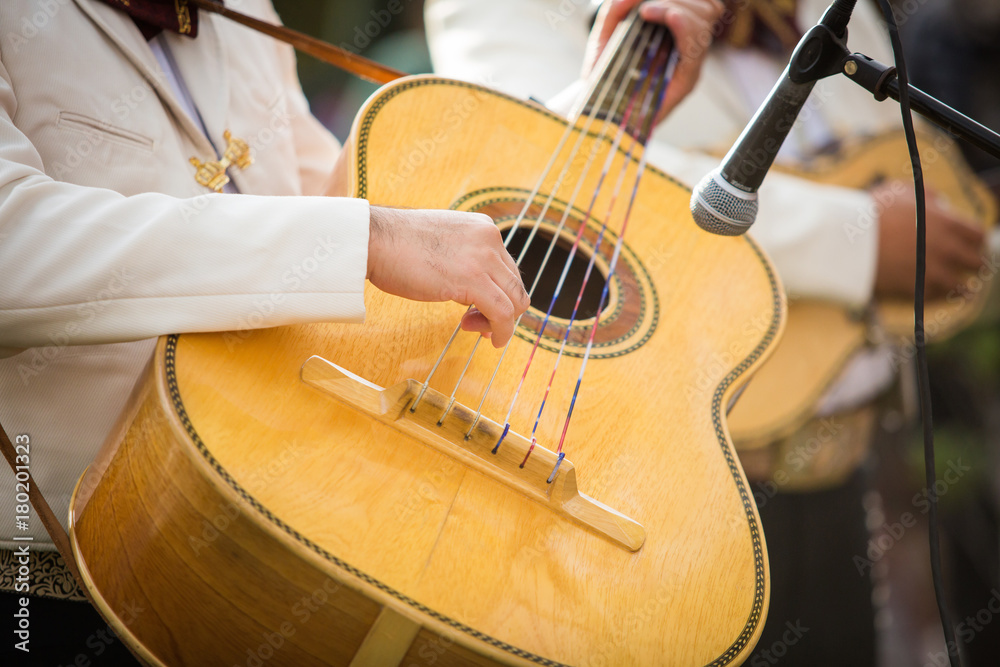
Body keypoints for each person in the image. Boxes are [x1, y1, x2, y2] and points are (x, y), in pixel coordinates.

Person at [0, 1, 720, 663]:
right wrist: (368, 237)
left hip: (274, 555)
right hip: (44, 581)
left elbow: (355, 202)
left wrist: (611, 100)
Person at [424, 0, 989, 664]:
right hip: (658, 486)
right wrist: (855, 239)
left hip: (842, 468)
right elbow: (534, 154)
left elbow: (902, 151)